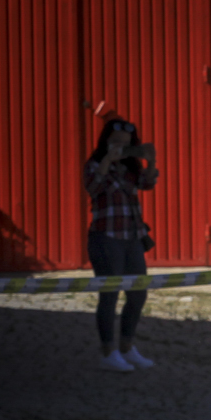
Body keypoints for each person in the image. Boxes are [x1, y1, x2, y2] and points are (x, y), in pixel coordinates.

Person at [83, 116, 159, 372]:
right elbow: (93, 187)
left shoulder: (129, 169)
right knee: (109, 295)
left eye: (125, 144)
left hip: (132, 238)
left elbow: (147, 183)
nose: (119, 148)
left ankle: (127, 347)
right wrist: (107, 160)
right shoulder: (95, 164)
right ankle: (108, 352)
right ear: (105, 142)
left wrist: (151, 161)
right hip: (105, 238)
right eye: (115, 142)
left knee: (138, 293)